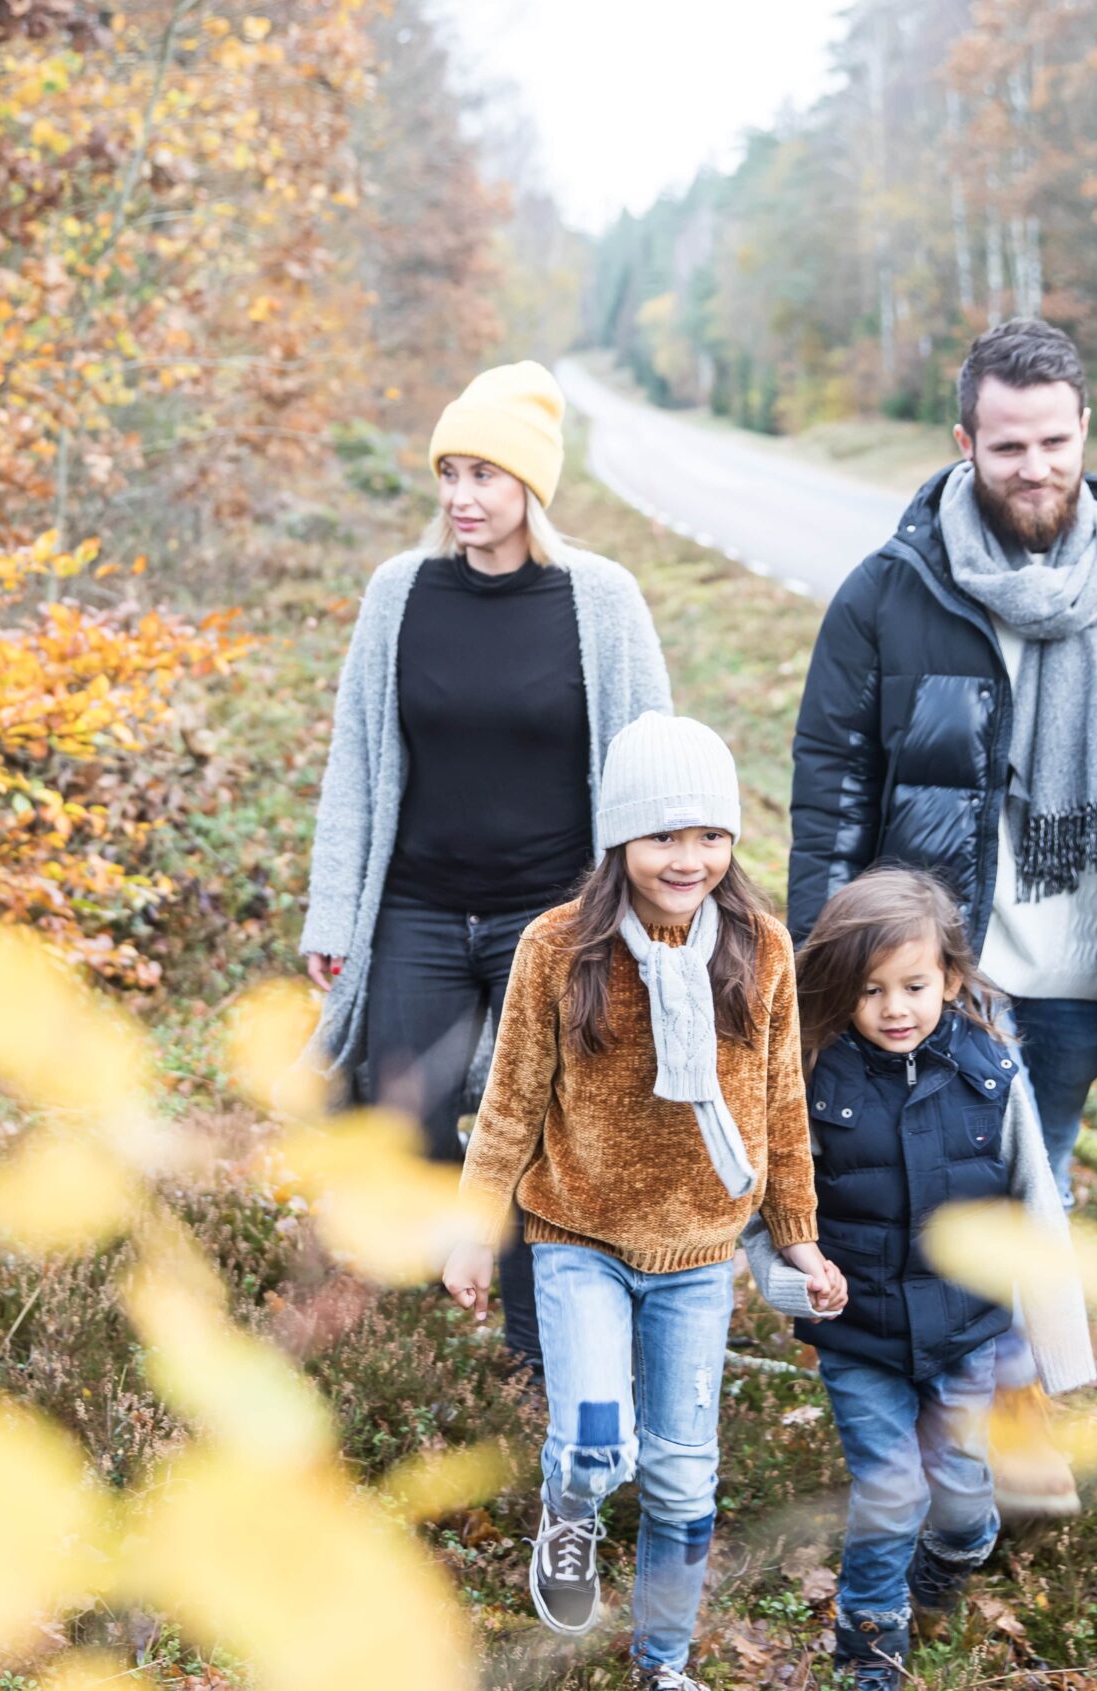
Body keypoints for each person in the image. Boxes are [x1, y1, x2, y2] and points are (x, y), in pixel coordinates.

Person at [787, 317, 1097, 1507]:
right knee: (966, 1186)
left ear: (1085, 433)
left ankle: (995, 1419)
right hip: (944, 958)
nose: (1034, 467)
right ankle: (994, 1424)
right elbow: (828, 790)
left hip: (1086, 955)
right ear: (964, 443)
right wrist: (825, 963)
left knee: (1028, 1175)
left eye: (1053, 441)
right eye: (1007, 446)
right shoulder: (890, 594)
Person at [443, 714, 840, 1687]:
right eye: (664, 835)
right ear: (618, 838)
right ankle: (568, 1512)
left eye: (709, 835)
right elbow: (509, 1103)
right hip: (577, 1234)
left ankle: (663, 1663)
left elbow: (782, 1103)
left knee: (680, 1475)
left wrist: (797, 1236)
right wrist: (469, 1231)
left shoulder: (761, 948)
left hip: (700, 1254)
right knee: (591, 1444)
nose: (688, 858)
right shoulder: (557, 948)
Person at [301, 360, 672, 1372]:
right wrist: (333, 919)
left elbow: (653, 766)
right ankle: (435, 1303)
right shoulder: (399, 594)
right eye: (449, 473)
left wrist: (652, 918)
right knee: (398, 1112)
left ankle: (525, 1345)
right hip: (416, 906)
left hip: (547, 914)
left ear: (530, 486)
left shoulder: (598, 600)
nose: (463, 498)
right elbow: (357, 762)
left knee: (539, 1125)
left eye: (486, 476)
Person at [752, 867, 1094, 1686]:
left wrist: (1061, 1349)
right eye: (871, 990)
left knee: (964, 1508)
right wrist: (800, 1282)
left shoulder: (991, 1071)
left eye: (914, 984)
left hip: (967, 1336)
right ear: (842, 988)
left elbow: (1034, 1206)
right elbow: (766, 1216)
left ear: (949, 975)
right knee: (891, 1489)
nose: (895, 1008)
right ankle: (871, 1652)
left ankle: (948, 1564)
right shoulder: (811, 1079)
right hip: (859, 1335)